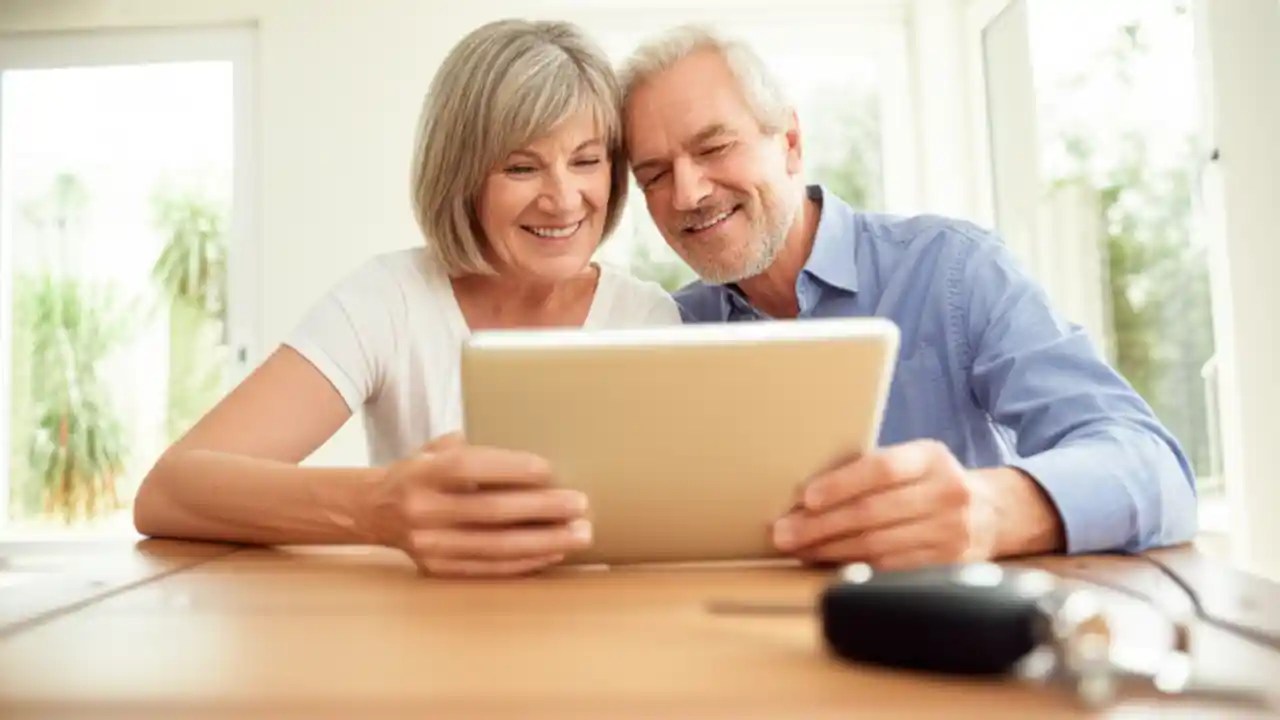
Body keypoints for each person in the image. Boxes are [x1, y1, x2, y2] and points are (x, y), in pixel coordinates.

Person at [618, 25, 1197, 568]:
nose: (688, 193)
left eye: (715, 148)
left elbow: (1153, 469)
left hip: (946, 646)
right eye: (655, 176)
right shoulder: (669, 328)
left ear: (791, 143)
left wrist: (992, 512)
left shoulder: (953, 269)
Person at [134, 19, 680, 577]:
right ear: (462, 176)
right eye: (521, 167)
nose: (564, 199)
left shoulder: (646, 317)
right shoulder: (389, 300)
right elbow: (168, 491)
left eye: (586, 161)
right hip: (425, 639)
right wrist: (375, 507)